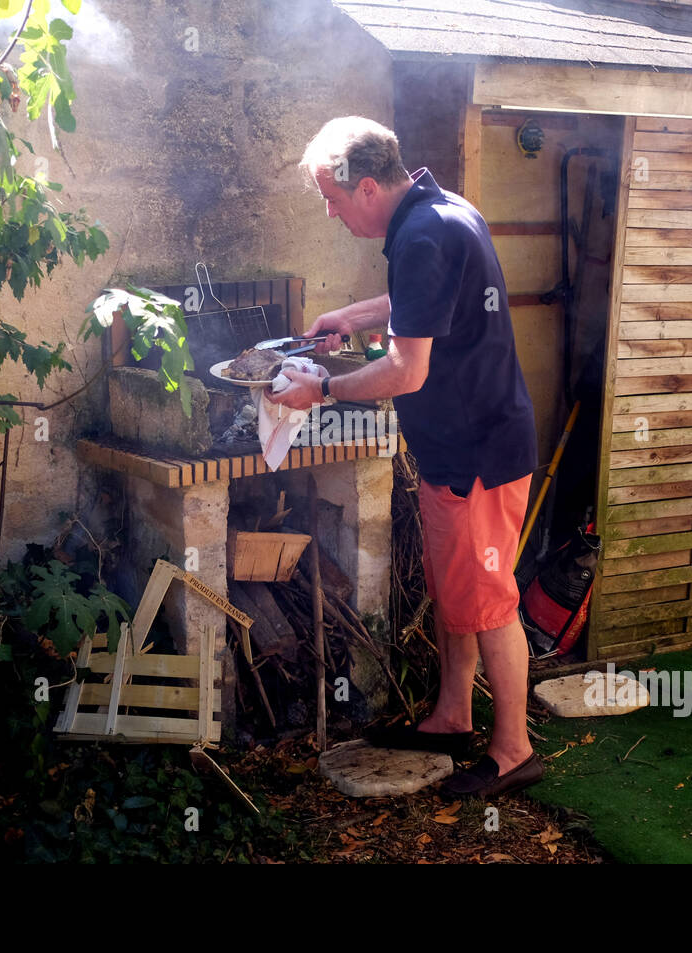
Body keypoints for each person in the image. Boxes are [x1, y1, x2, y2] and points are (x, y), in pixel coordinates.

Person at [267, 116, 543, 797]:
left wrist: (322, 389)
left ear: (366, 187)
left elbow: (406, 370)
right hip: (467, 447)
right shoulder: (443, 212)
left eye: (332, 199)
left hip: (476, 453)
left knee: (489, 600)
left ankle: (513, 750)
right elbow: (423, 300)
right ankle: (452, 717)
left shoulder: (420, 233)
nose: (331, 214)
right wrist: (352, 317)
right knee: (458, 593)